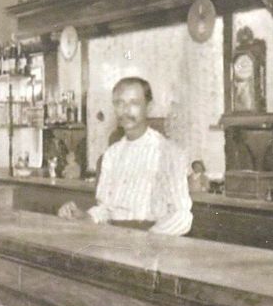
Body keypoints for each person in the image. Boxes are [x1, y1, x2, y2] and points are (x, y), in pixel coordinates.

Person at [58, 76, 192, 235]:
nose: (125, 110)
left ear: (149, 106)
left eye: (134, 103)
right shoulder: (112, 154)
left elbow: (182, 215)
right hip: (114, 240)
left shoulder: (168, 152)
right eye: (119, 103)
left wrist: (150, 239)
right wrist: (83, 216)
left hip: (153, 243)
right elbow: (106, 209)